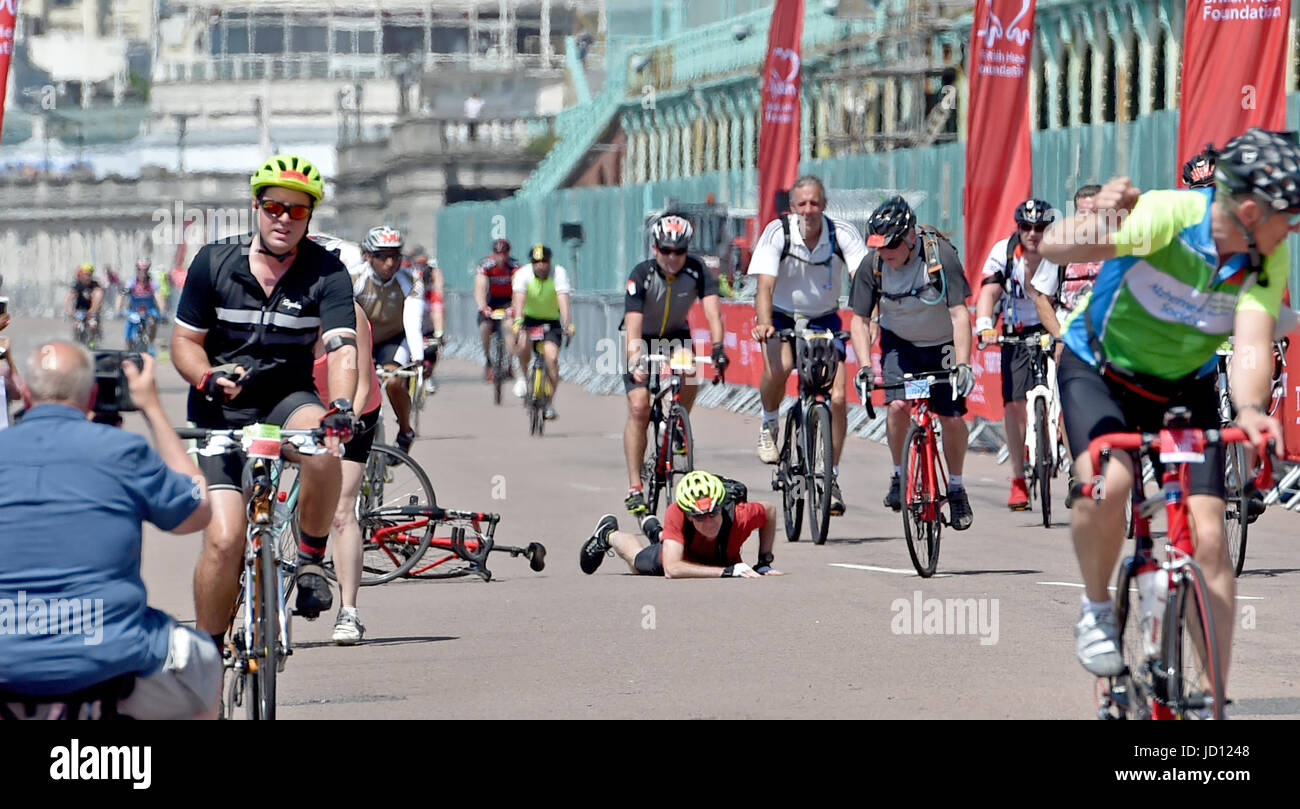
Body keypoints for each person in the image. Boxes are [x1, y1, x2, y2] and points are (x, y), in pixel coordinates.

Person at [1038, 127, 1295, 686]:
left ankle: (1212, 698)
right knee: (1112, 482)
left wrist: (1250, 408)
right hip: (1101, 370)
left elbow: (1252, 341)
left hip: (1184, 387)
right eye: (1289, 217)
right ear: (1251, 210)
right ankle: (1097, 608)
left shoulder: (1266, 257)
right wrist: (1102, 218)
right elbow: (1054, 247)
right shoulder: (1168, 215)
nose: (1293, 229)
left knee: (1209, 538)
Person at [171, 153, 359, 654]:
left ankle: (313, 559)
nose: (283, 219)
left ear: (310, 218)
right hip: (219, 409)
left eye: (297, 212)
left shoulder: (328, 273)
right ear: (256, 207)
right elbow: (184, 343)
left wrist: (340, 405)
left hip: (284, 400)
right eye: (274, 207)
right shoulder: (213, 262)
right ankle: (208, 658)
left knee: (324, 448)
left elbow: (343, 347)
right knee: (226, 538)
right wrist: (208, 377)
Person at [0, 343, 217, 719]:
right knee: (204, 659)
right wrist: (153, 410)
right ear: (94, 395)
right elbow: (196, 510)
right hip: (109, 653)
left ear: (27, 393)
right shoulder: (122, 451)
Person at [848, 196, 975, 529]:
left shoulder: (940, 257)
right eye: (878, 248)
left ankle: (957, 489)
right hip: (900, 344)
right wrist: (864, 368)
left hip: (942, 343)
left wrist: (963, 365)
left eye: (890, 247)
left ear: (909, 238)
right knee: (898, 406)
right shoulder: (871, 265)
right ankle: (898, 474)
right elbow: (859, 320)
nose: (885, 255)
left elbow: (960, 314)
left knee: (949, 417)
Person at [748, 175, 869, 516]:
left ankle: (829, 477)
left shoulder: (841, 233)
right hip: (782, 316)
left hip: (824, 319)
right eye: (802, 204)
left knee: (840, 397)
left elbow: (864, 279)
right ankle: (769, 422)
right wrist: (764, 323)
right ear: (792, 208)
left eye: (814, 203)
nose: (809, 210)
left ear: (824, 205)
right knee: (781, 365)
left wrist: (870, 316)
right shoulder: (778, 233)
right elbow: (765, 287)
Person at [621, 214, 727, 517]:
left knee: (691, 373)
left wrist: (718, 349)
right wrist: (635, 359)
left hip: (676, 335)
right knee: (640, 407)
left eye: (679, 251)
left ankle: (677, 422)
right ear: (655, 248)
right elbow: (633, 325)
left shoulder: (697, 270)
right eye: (665, 250)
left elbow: (713, 313)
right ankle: (634, 487)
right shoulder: (641, 274)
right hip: (641, 336)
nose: (672, 258)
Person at [975, 198, 1063, 510]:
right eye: (1026, 227)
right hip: (1016, 328)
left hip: (1053, 325)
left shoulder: (1061, 249)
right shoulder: (1004, 251)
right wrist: (985, 325)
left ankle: (1064, 447)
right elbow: (989, 290)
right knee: (1013, 405)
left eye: (1040, 227)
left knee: (1069, 387)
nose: (1033, 233)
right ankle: (1017, 478)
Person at [313, 301, 384, 645]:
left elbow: (364, 382)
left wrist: (347, 423)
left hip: (354, 408)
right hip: (301, 406)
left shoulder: (348, 311)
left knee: (341, 508)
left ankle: (348, 612)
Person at [579, 470, 783, 578]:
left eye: (713, 513)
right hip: (685, 556)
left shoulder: (741, 515)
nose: (709, 521)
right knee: (637, 563)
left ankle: (658, 531)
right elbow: (672, 569)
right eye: (700, 517)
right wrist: (725, 572)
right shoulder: (676, 512)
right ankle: (608, 534)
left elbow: (770, 511)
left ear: (721, 506)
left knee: (669, 540)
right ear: (688, 516)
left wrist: (764, 561)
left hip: (703, 551)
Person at [349, 225, 426, 453]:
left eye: (394, 256)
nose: (390, 263)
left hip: (393, 339)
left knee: (393, 380)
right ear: (367, 256)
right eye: (382, 256)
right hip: (362, 339)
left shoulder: (411, 280)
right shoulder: (353, 278)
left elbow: (413, 321)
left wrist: (419, 358)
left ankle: (405, 429)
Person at [510, 244, 574, 419]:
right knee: (523, 344)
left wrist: (567, 324)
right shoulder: (523, 274)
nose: (540, 265)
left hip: (550, 321)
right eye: (536, 262)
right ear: (531, 263)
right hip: (529, 319)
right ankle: (523, 376)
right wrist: (518, 322)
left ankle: (549, 404)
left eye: (544, 261)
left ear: (549, 262)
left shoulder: (558, 273)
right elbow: (519, 301)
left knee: (552, 359)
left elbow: (563, 300)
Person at [474, 238, 520, 381]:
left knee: (510, 326)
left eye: (504, 253)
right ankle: (488, 360)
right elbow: (480, 288)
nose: (501, 257)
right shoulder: (486, 265)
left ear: (508, 253)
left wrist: (514, 307)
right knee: (485, 327)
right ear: (493, 253)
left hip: (507, 301)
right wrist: (483, 307)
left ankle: (509, 363)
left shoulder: (514, 266)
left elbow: (518, 289)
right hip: (491, 301)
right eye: (498, 253)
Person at [412, 248, 445, 393]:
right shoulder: (409, 294)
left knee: (433, 350)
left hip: (428, 328)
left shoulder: (432, 295)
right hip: (413, 328)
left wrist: (439, 333)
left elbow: (438, 313)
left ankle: (429, 375)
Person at [123, 259, 165, 352]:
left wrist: (162, 311)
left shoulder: (152, 282)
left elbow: (159, 297)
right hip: (134, 310)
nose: (142, 273)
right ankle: (129, 350)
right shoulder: (132, 281)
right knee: (128, 333)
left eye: (145, 270)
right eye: (140, 270)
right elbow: (122, 294)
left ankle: (151, 342)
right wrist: (118, 309)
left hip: (149, 310)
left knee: (152, 322)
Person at [64, 262, 103, 346]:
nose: (87, 277)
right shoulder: (77, 285)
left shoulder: (94, 285)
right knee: (76, 326)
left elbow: (98, 296)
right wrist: (70, 310)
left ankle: (92, 342)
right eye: (85, 274)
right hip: (80, 310)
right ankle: (76, 343)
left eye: (89, 275)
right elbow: (68, 298)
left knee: (93, 325)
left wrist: (93, 310)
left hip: (91, 311)